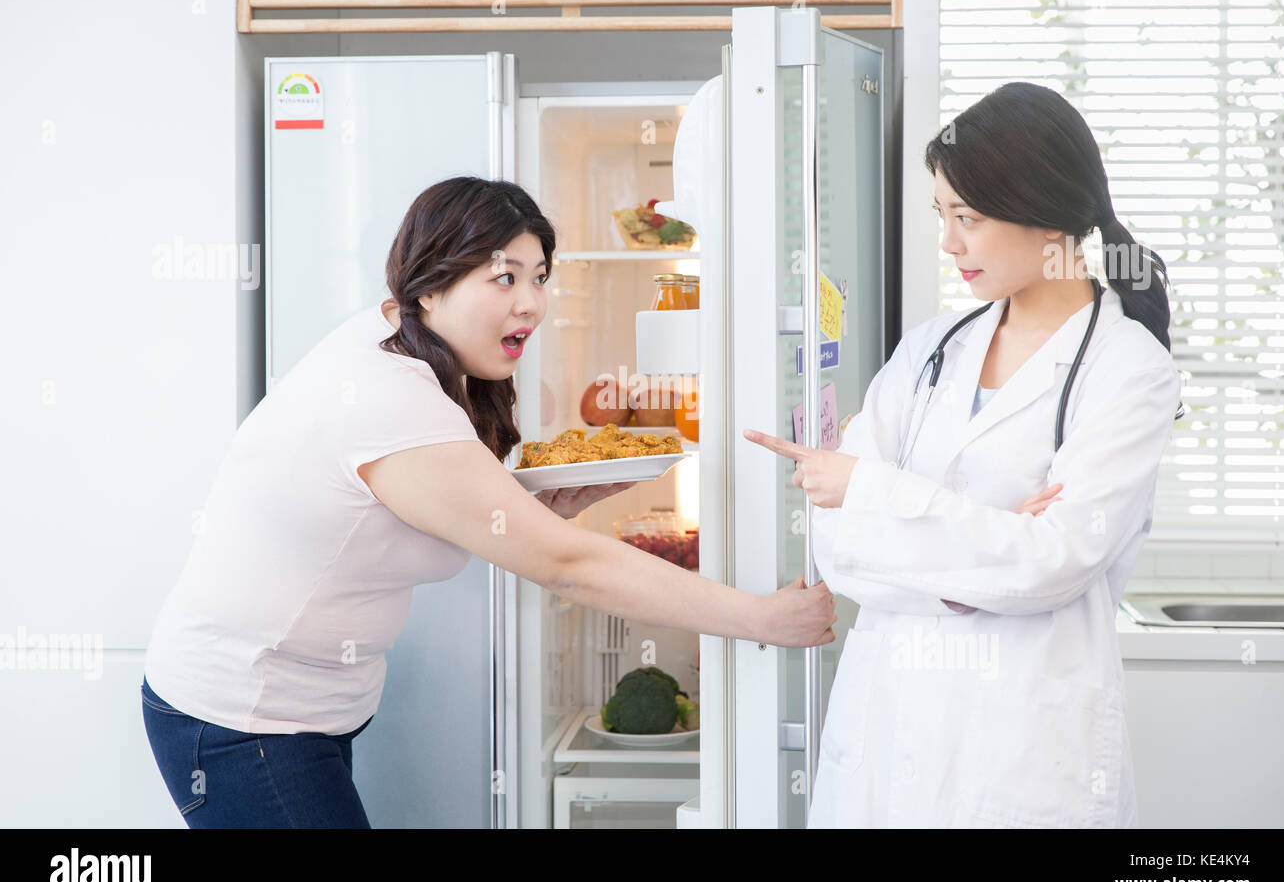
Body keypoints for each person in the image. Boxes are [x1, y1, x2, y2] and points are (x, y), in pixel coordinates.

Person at [142, 176, 834, 828]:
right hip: (243, 718)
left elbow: (431, 515)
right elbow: (568, 566)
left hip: (304, 711)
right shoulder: (387, 396)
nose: (530, 302)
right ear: (429, 286)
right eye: (503, 277)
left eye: (539, 278)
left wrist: (538, 510)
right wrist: (761, 619)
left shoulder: (402, 343)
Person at [745, 82, 1182, 828]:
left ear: (1047, 215)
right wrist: (987, 548)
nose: (949, 242)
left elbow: (1053, 562)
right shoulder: (928, 352)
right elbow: (839, 545)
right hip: (884, 738)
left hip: (1020, 759)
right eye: (942, 216)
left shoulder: (1127, 369)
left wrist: (881, 493)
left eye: (968, 218)